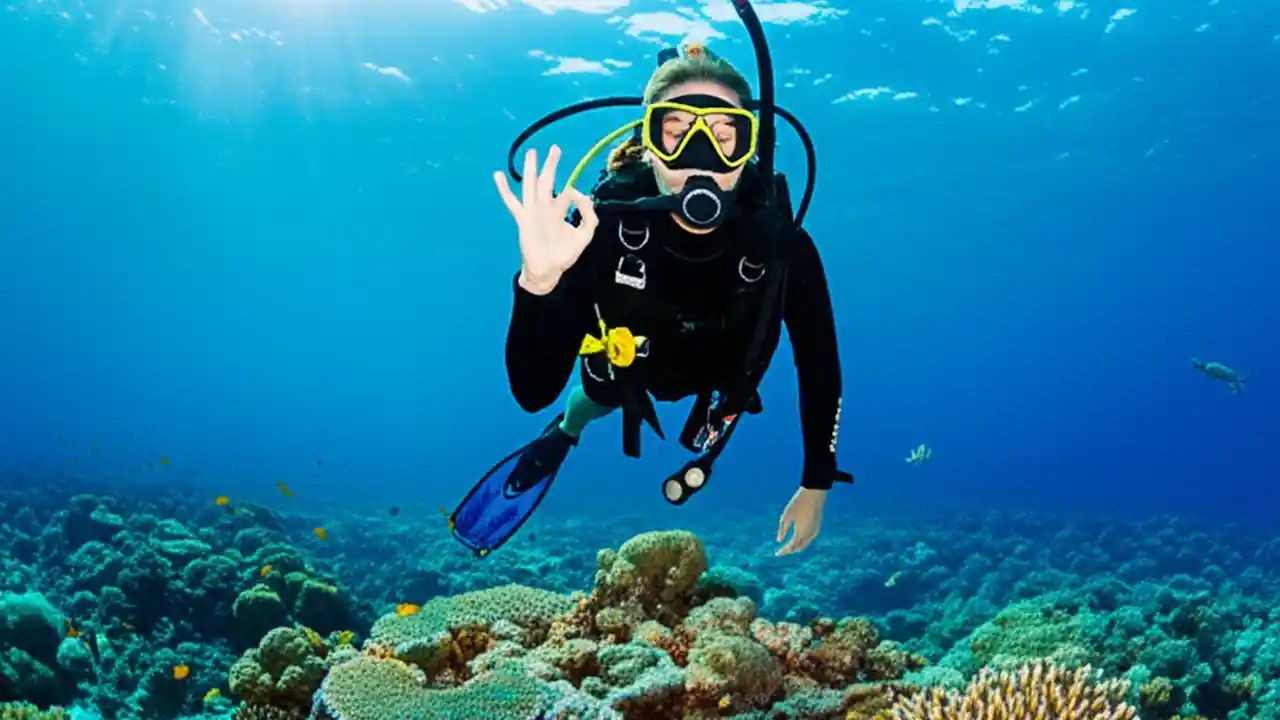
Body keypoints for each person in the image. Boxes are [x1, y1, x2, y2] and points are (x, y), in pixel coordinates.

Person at [448, 7, 853, 559]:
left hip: (718, 378)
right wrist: (539, 284)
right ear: (649, 144)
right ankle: (564, 433)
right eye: (677, 134)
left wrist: (817, 480)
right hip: (623, 370)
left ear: (750, 149)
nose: (702, 159)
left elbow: (821, 364)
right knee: (591, 398)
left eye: (726, 135)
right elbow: (529, 391)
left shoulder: (783, 246)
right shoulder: (602, 226)